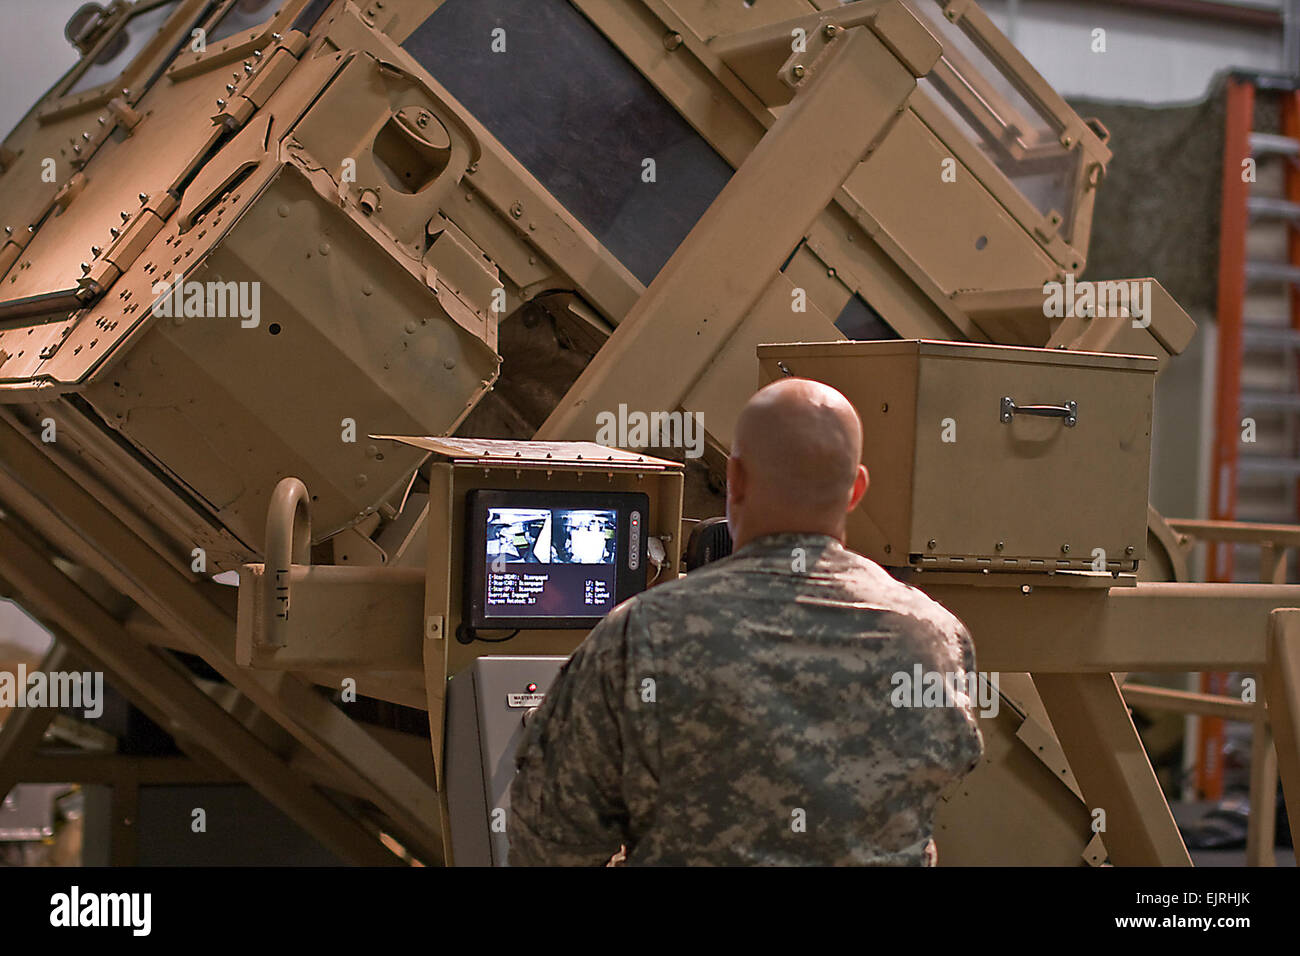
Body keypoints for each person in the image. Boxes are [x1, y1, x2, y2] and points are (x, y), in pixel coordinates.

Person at [508, 378, 984, 865]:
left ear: (736, 479)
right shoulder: (934, 637)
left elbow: (548, 843)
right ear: (856, 488)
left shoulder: (641, 634)